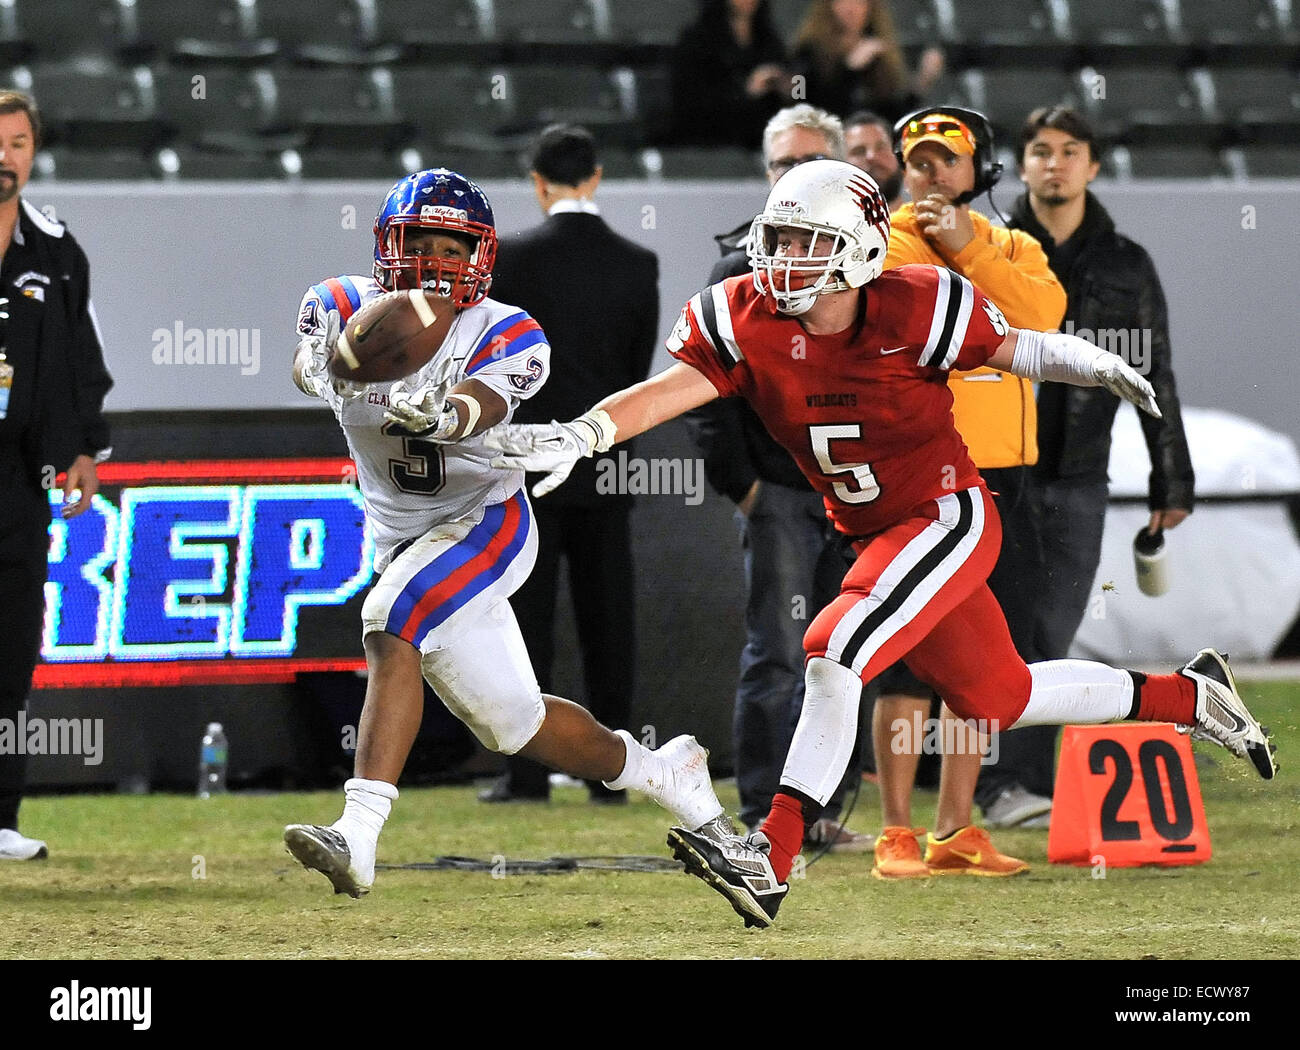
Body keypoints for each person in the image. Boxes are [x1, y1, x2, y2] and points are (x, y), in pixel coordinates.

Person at [483, 159, 1275, 929]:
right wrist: (585, 432)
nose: (787, 260)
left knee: (834, 646)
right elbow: (667, 394)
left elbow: (1018, 349)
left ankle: (773, 856)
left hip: (945, 516)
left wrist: (1096, 363)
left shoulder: (915, 305)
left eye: (809, 243)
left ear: (860, 246)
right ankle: (1193, 696)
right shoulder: (743, 317)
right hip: (873, 530)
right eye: (781, 240)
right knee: (999, 698)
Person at [281, 168, 728, 897]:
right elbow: (309, 361)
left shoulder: (508, 328)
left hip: (483, 522)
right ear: (387, 245)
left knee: (390, 620)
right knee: (513, 726)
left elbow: (483, 402)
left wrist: (446, 415)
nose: (433, 263)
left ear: (480, 259)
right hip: (399, 535)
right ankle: (662, 770)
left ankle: (356, 836)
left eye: (452, 249)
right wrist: (324, 367)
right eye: (419, 243)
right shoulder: (336, 303)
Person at [865, 106, 1067, 879]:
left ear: (981, 169)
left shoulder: (1010, 242)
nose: (931, 172)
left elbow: (1042, 319)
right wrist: (947, 248)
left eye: (947, 159)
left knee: (978, 668)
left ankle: (955, 829)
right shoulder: (884, 244)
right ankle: (894, 832)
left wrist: (966, 245)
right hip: (924, 479)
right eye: (918, 159)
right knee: (907, 663)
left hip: (1007, 477)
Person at [975, 105, 1195, 816]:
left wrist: (1172, 477)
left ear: (1093, 165)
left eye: (1071, 151)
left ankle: (1024, 784)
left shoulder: (1127, 262)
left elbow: (1154, 370)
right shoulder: (992, 249)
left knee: (1050, 631)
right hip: (999, 471)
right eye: (1041, 150)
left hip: (1078, 475)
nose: (1055, 163)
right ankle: (993, 785)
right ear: (1023, 162)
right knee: (1000, 630)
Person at [689, 104, 872, 852]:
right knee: (778, 649)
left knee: (847, 656)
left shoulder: (867, 265)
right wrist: (748, 488)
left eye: (807, 164)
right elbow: (702, 394)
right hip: (784, 492)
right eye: (780, 165)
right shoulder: (739, 268)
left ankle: (826, 809)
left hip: (853, 494)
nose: (791, 179)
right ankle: (770, 809)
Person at [476, 125, 658, 805]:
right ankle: (611, 771)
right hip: (605, 462)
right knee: (609, 620)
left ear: (536, 181)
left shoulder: (514, 259)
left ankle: (525, 771)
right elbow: (637, 376)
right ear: (598, 176)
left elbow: (497, 364)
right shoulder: (637, 263)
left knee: (524, 619)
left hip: (525, 465)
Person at [0, 91, 112, 862]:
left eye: (18, 142)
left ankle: (0, 815)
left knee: (10, 650)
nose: (4, 155)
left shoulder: (56, 250)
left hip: (13, 481)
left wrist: (84, 451)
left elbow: (79, 362)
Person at [792, 0, 944, 124]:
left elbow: (891, 115)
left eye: (859, 2)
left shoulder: (877, 51)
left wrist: (921, 84)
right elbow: (804, 108)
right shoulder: (808, 52)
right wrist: (850, 70)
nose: (850, 8)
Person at [667, 0, 792, 150]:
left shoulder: (769, 38)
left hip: (761, 136)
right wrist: (746, 92)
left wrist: (788, 89)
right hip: (712, 139)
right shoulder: (698, 39)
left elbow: (798, 87)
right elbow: (691, 101)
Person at [843, 110, 903, 209]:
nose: (872, 156)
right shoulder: (826, 222)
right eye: (859, 151)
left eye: (881, 147)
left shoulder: (930, 220)